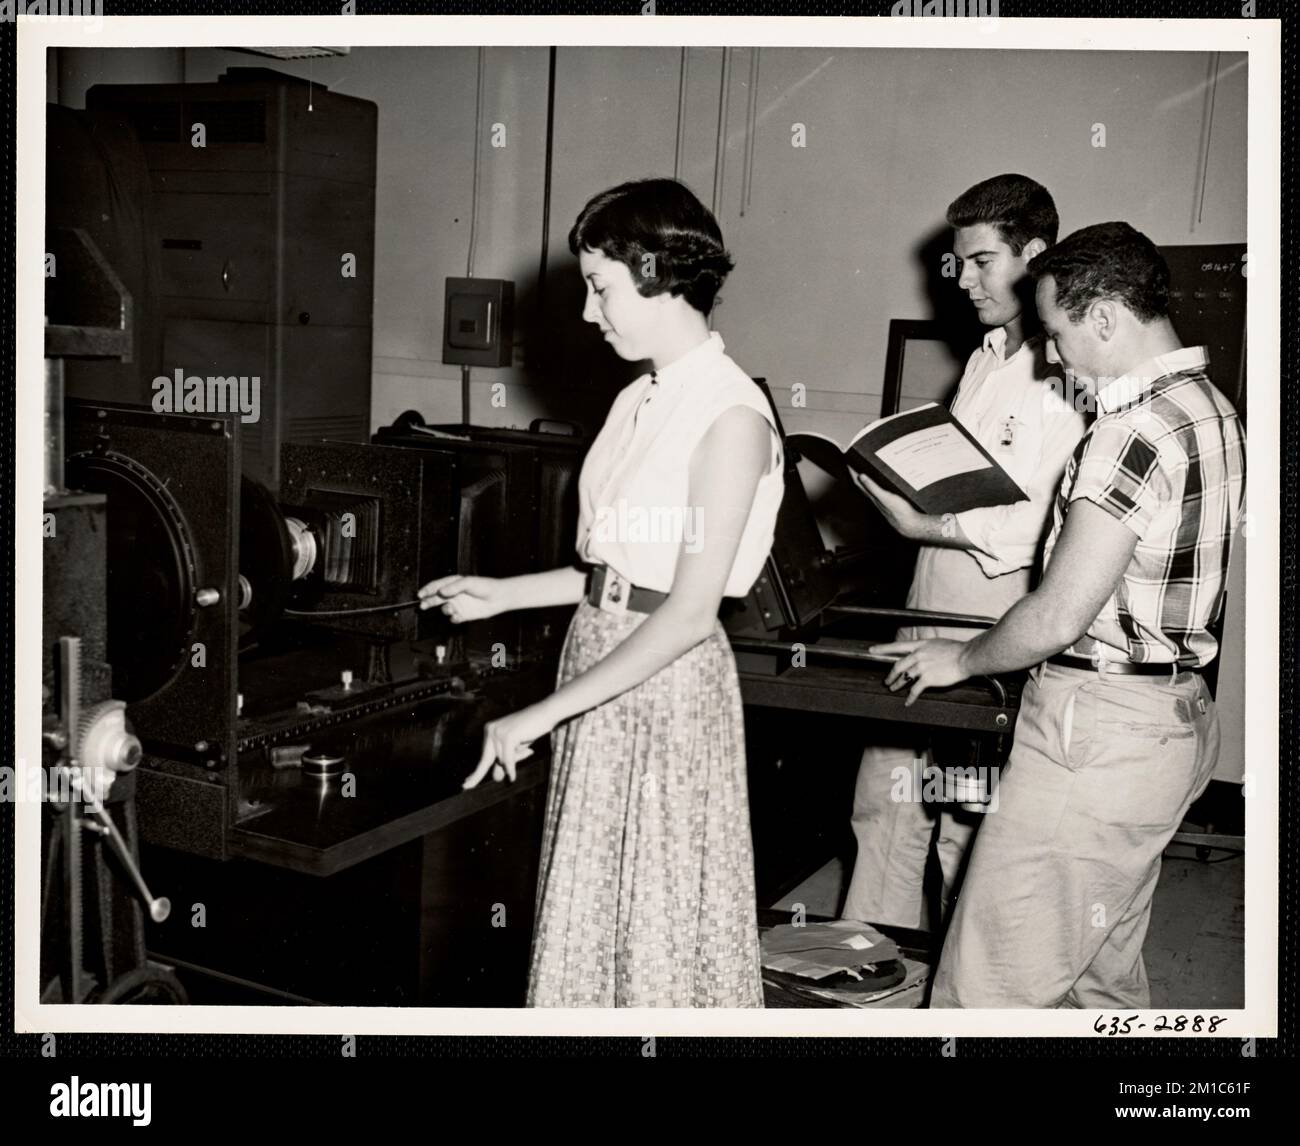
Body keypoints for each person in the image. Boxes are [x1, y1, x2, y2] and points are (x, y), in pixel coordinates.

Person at [418, 178, 784, 1007]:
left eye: (601, 288)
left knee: (653, 917)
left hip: (665, 687)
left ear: (656, 270)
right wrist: (501, 594)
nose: (589, 313)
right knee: (592, 906)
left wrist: (540, 715)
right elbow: (619, 571)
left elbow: (689, 610)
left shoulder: (731, 418)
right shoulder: (639, 398)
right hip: (601, 657)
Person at [875, 222, 1246, 1008]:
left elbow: (1056, 615)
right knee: (1097, 980)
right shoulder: (1210, 407)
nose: (1050, 356)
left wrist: (962, 659)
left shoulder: (1128, 431)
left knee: (986, 988)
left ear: (1106, 316)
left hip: (1097, 737)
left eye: (1055, 332)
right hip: (1171, 720)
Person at [843, 175, 1087, 930]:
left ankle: (955, 999)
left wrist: (933, 528)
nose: (964, 280)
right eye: (959, 262)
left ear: (1034, 254)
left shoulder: (1067, 371)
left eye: (982, 261)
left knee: (964, 822)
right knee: (884, 802)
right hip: (926, 599)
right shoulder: (984, 356)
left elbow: (1045, 523)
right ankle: (859, 969)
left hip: (992, 612)